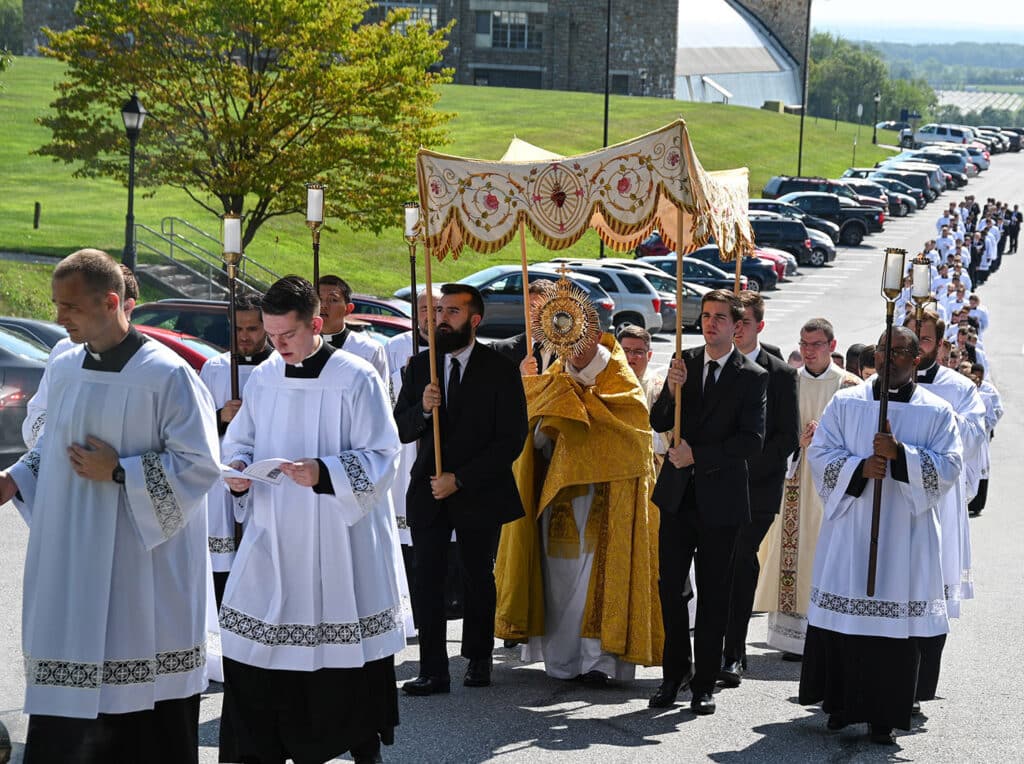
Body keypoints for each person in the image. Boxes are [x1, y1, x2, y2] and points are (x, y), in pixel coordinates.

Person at [0, 250, 220, 763]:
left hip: (140, 568)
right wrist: (16, 477)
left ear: (112, 301)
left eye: (70, 307)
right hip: (73, 559)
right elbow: (53, 445)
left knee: (140, 715)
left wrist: (120, 471)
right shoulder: (66, 368)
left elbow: (200, 466)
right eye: (57, 305)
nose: (58, 318)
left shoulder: (168, 376)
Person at [217, 276, 405, 764]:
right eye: (271, 336)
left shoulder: (355, 377)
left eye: (287, 336)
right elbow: (240, 441)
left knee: (344, 661)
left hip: (337, 539)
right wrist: (237, 470)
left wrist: (324, 472)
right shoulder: (264, 377)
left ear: (316, 324)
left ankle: (361, 748)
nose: (277, 347)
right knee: (254, 649)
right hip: (273, 533)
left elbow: (384, 456)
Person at [799, 327, 961, 746]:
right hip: (852, 529)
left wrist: (899, 456)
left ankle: (882, 719)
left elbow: (950, 466)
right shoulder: (847, 402)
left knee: (894, 630)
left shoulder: (936, 411)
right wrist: (859, 468)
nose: (890, 359)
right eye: (884, 351)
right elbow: (821, 452)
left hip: (904, 537)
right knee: (844, 619)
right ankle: (838, 706)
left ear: (916, 358)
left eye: (901, 352)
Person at [495, 322, 662, 687]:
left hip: (605, 500)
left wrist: (586, 420)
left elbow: (634, 442)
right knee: (560, 580)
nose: (571, 352)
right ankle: (561, 657)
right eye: (564, 344)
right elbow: (530, 437)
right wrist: (544, 420)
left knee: (598, 579)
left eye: (577, 343)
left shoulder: (621, 384)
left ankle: (600, 658)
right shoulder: (554, 376)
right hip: (557, 498)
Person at [395, 284, 528, 695]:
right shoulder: (421, 366)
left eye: (452, 312)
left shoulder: (499, 367)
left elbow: (511, 438)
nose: (440, 319)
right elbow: (401, 427)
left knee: (476, 575)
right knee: (428, 576)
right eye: (438, 311)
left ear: (474, 320)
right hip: (429, 489)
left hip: (479, 488)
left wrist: (462, 478)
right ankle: (432, 669)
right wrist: (424, 409)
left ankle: (478, 657)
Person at [648, 289, 768, 714]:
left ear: (736, 325)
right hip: (679, 497)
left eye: (719, 317)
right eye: (705, 316)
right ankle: (673, 673)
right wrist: (669, 389)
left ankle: (704, 682)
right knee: (670, 589)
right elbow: (659, 420)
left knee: (716, 593)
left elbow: (751, 441)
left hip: (723, 500)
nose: (710, 323)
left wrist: (698, 454)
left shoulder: (751, 376)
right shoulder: (686, 365)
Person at [754, 318, 861, 659]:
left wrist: (825, 445)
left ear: (832, 346)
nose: (808, 351)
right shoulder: (786, 382)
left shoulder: (851, 387)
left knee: (828, 554)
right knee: (794, 552)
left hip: (835, 490)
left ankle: (829, 632)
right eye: (803, 344)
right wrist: (797, 446)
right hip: (794, 484)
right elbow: (769, 435)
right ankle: (793, 640)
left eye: (815, 344)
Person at [720, 292, 799, 686]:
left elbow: (787, 436)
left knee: (738, 559)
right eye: (732, 321)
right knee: (718, 564)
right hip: (714, 483)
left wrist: (747, 466)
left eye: (745, 322)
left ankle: (732, 651)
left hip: (758, 488)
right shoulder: (714, 365)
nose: (737, 328)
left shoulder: (781, 375)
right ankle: (710, 648)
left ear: (759, 326)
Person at [912, 309, 987, 702]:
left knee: (932, 595)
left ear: (940, 346)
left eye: (923, 339)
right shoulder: (884, 384)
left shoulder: (959, 389)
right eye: (909, 337)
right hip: (895, 505)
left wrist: (937, 418)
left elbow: (975, 435)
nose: (914, 347)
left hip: (940, 504)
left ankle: (923, 687)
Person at [198, 293, 273, 607]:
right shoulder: (215, 368)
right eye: (238, 329)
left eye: (252, 329)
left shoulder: (278, 369)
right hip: (222, 481)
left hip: (266, 478)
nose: (244, 336)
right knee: (223, 565)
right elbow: (195, 427)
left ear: (267, 327)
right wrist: (220, 417)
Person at [22, 264, 139, 449]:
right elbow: (37, 414)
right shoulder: (64, 353)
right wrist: (62, 443)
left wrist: (119, 468)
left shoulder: (158, 367)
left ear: (127, 306)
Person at [618, 325, 670, 469]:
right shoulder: (605, 384)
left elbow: (666, 438)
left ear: (650, 355)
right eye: (625, 351)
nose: (630, 357)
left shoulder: (659, 388)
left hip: (646, 466)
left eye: (638, 352)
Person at [317, 274, 388, 380]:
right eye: (319, 299)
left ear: (348, 309)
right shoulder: (297, 348)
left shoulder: (369, 350)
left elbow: (381, 394)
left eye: (333, 300)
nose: (323, 305)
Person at [492, 279, 558, 374]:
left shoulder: (569, 355)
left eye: (544, 308)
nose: (536, 314)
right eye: (531, 306)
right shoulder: (501, 351)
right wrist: (520, 376)